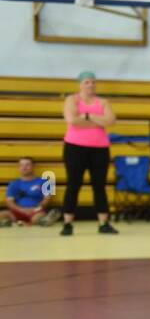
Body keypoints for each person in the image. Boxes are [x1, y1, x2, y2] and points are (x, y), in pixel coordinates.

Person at [60, 71, 117, 236]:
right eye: (86, 82)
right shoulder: (72, 100)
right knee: (73, 184)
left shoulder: (103, 102)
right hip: (74, 147)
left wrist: (87, 116)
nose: (90, 85)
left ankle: (103, 223)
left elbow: (111, 121)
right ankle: (67, 224)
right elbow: (72, 120)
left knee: (99, 186)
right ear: (80, 85)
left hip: (100, 148)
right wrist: (98, 120)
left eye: (93, 82)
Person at [3, 157, 59, 226]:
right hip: (17, 212)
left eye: (27, 165)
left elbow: (47, 199)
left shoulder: (44, 182)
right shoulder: (13, 184)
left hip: (35, 212)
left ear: (33, 167)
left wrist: (35, 208)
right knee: (3, 214)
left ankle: (45, 220)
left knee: (39, 217)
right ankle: (6, 222)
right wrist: (21, 210)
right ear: (18, 168)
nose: (24, 167)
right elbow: (9, 202)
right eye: (21, 165)